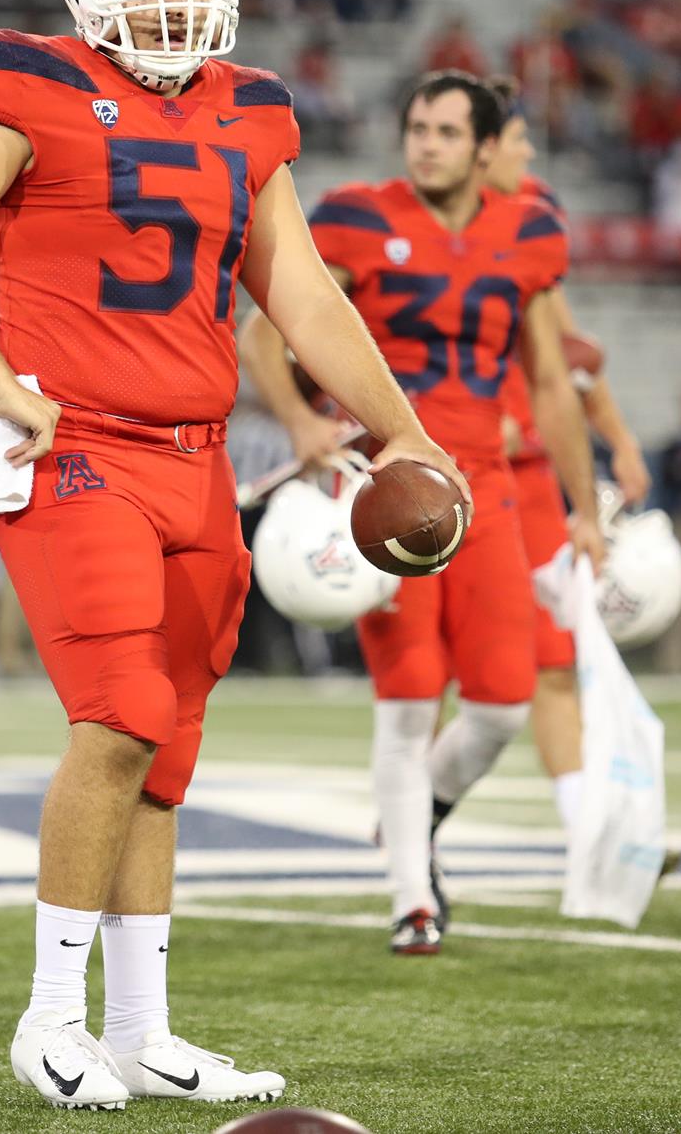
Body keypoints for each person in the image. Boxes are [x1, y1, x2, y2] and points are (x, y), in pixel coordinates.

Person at [0, 0, 462, 1110]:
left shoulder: (248, 112)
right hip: (76, 448)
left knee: (168, 749)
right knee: (122, 712)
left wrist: (401, 431)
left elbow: (299, 293)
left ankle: (139, 1029)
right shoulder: (22, 84)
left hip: (197, 457)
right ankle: (48, 1017)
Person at [243, 70, 604, 955]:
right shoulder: (359, 215)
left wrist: (586, 503)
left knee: (502, 705)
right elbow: (265, 326)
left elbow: (552, 384)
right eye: (416, 126)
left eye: (447, 130)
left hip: (489, 482)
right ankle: (412, 894)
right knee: (407, 700)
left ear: (487, 147)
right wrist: (299, 419)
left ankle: (410, 821)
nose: (427, 142)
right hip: (389, 483)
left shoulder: (529, 229)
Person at [482, 81, 651, 843]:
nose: (530, 154)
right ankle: (413, 823)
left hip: (527, 469)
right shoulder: (396, 226)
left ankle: (585, 825)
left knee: (552, 652)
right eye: (518, 138)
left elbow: (567, 353)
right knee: (444, 675)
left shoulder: (530, 218)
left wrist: (618, 436)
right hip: (451, 471)